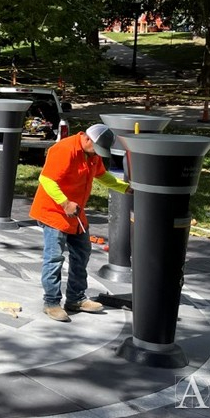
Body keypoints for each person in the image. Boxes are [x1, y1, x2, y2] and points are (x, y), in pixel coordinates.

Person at [30, 124, 130, 322]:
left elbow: (102, 176)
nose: (97, 155)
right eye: (96, 150)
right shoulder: (64, 149)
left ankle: (76, 299)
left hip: (76, 214)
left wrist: (125, 188)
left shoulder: (92, 154)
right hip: (54, 212)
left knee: (82, 253)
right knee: (54, 258)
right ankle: (51, 302)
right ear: (86, 139)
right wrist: (65, 202)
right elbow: (47, 179)